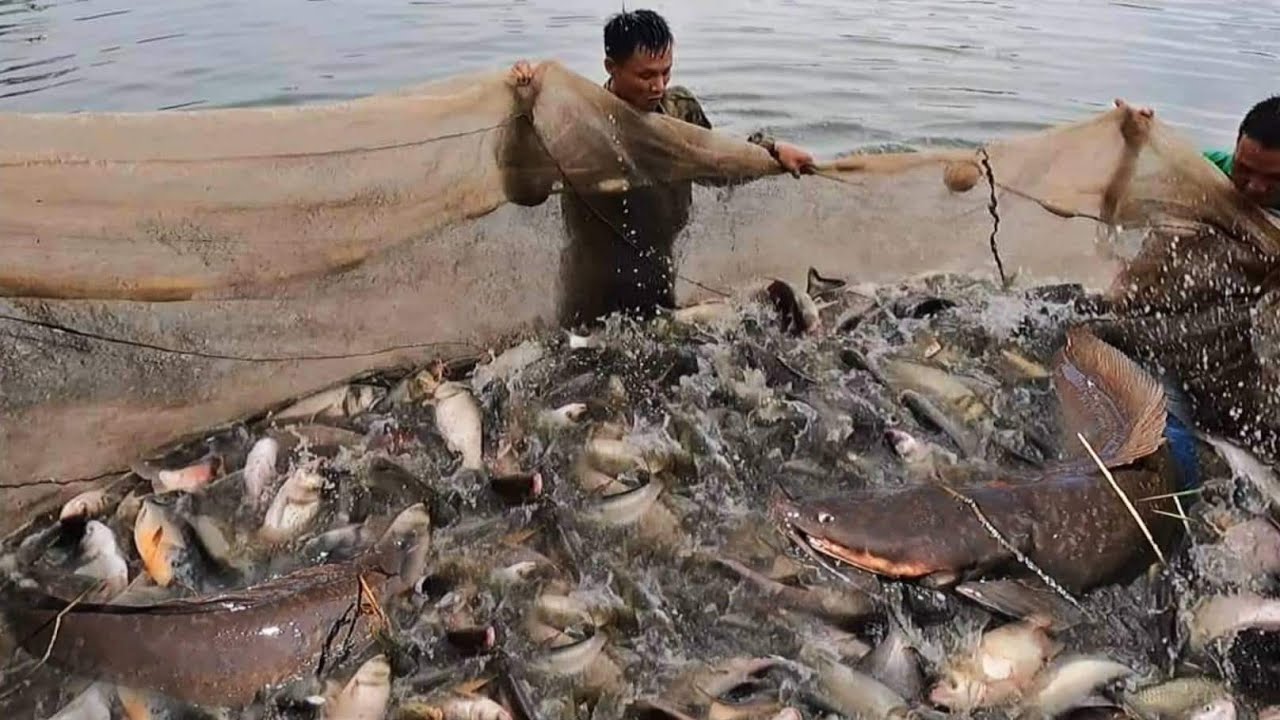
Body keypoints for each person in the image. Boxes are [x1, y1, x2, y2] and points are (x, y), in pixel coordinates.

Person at [509, 9, 816, 328]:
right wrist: (523, 115)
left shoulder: (679, 110)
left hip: (658, 279)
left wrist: (773, 151)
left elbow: (717, 162)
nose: (658, 86)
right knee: (583, 350)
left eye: (665, 72)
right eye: (645, 76)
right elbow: (526, 192)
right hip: (590, 295)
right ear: (611, 67)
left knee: (668, 343)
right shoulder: (578, 124)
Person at [1203, 95, 1280, 213]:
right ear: (1236, 149)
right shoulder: (1206, 165)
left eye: (1275, 177)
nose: (1254, 187)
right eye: (1244, 170)